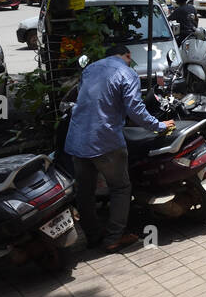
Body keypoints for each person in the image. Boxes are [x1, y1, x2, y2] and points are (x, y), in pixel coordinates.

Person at [65, 45, 175, 253]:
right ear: (127, 56)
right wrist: (159, 125)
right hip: (104, 141)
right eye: (129, 58)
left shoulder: (89, 69)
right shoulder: (127, 72)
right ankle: (113, 238)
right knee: (120, 188)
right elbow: (135, 110)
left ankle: (93, 236)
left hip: (77, 139)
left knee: (85, 193)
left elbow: (87, 100)